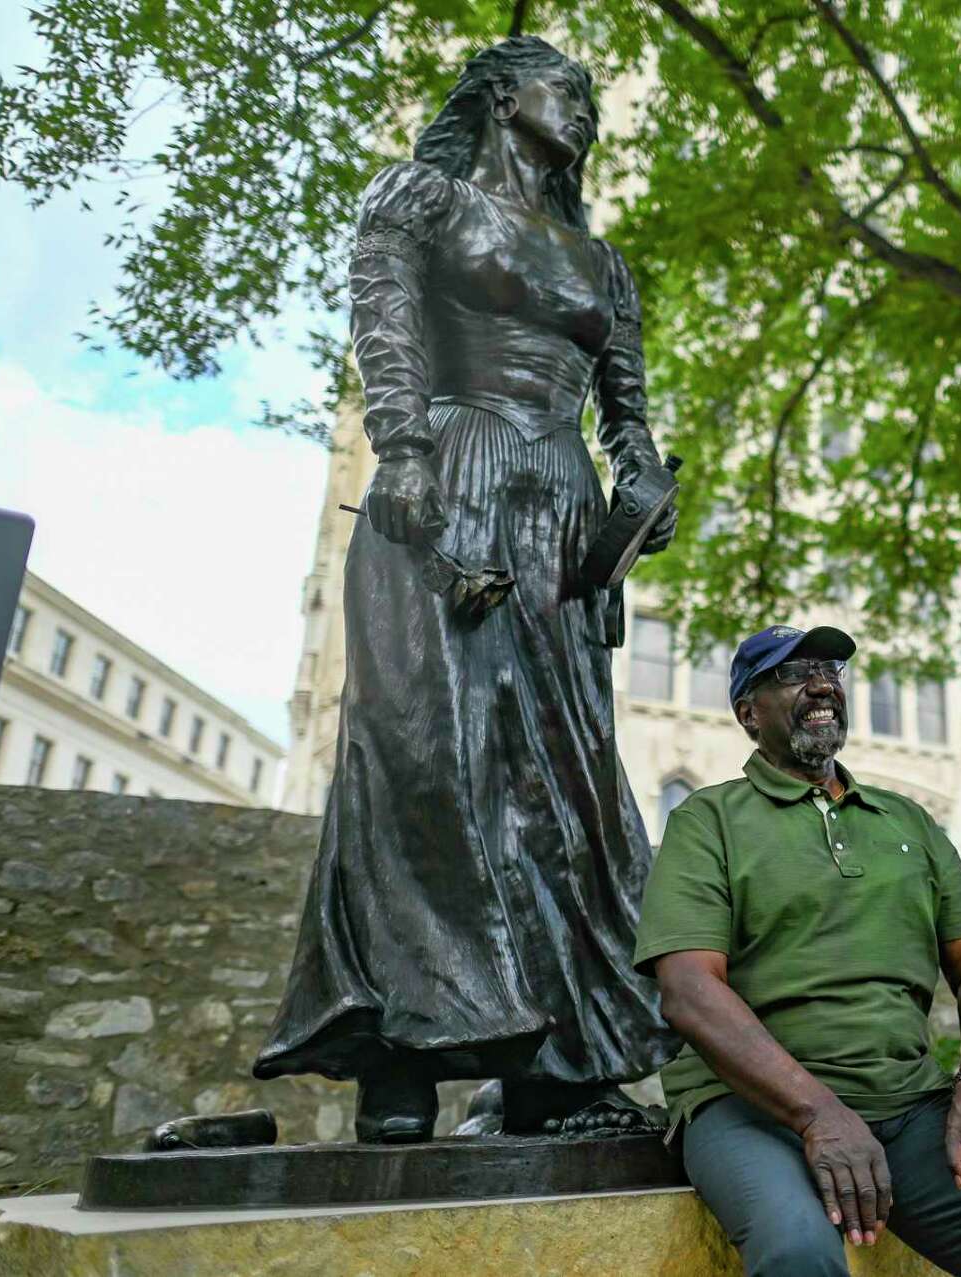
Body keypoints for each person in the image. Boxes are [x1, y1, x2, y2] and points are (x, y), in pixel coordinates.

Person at [255, 37, 681, 1141]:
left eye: (592, 96)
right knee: (423, 758)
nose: (584, 110)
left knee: (559, 784)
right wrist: (400, 449)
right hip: (445, 482)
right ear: (503, 95)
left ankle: (559, 1062)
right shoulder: (421, 198)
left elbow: (627, 413)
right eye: (566, 90)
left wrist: (644, 483)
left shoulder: (602, 265)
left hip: (562, 517)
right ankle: (400, 1048)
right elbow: (383, 326)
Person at [633, 624, 961, 1276]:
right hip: (749, 1112)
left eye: (830, 669)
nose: (821, 684)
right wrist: (819, 1112)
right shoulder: (709, 819)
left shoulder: (908, 821)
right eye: (791, 673)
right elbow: (689, 990)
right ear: (748, 712)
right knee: (800, 1250)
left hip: (909, 1109)